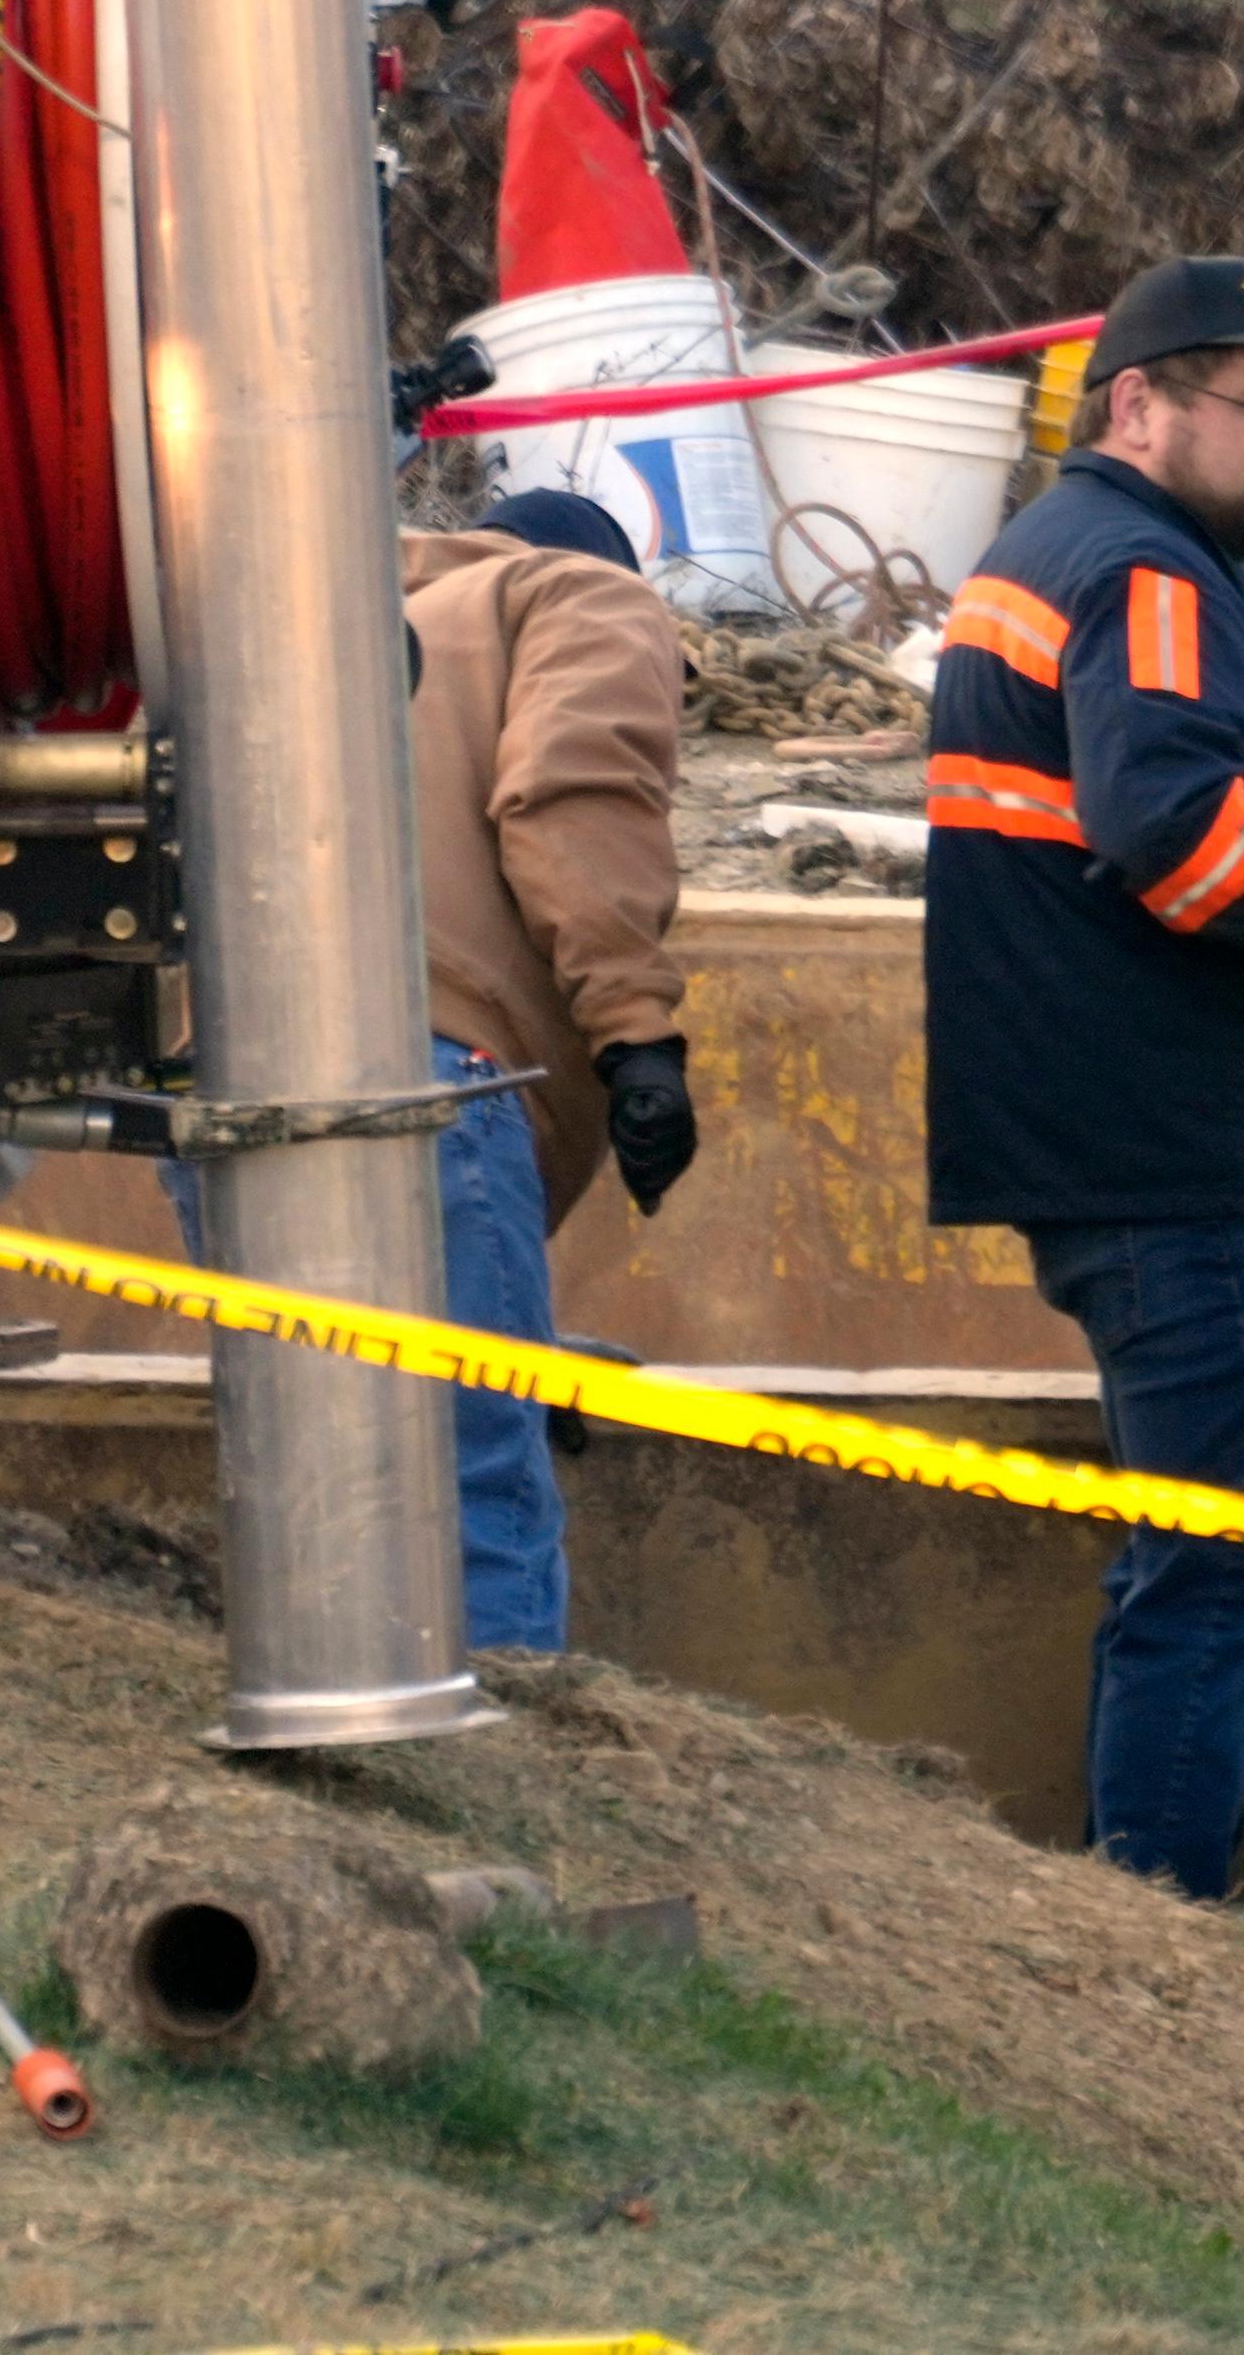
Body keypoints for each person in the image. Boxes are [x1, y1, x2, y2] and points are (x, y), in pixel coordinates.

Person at [923, 256, 1244, 1900]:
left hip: (1137, 1155)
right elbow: (1175, 829)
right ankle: (1160, 1943)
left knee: (1190, 1575)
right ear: (1131, 402)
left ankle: (1138, 1931)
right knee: (1228, 1582)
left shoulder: (1058, 554)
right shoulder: (1148, 573)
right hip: (1207, 1172)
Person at [398, 483, 699, 1655]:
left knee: (332, 1455)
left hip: (210, 1086)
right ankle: (506, 1788)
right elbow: (574, 798)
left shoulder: (332, 614)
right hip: (429, 1081)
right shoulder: (581, 593)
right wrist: (637, 1032)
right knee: (478, 1479)